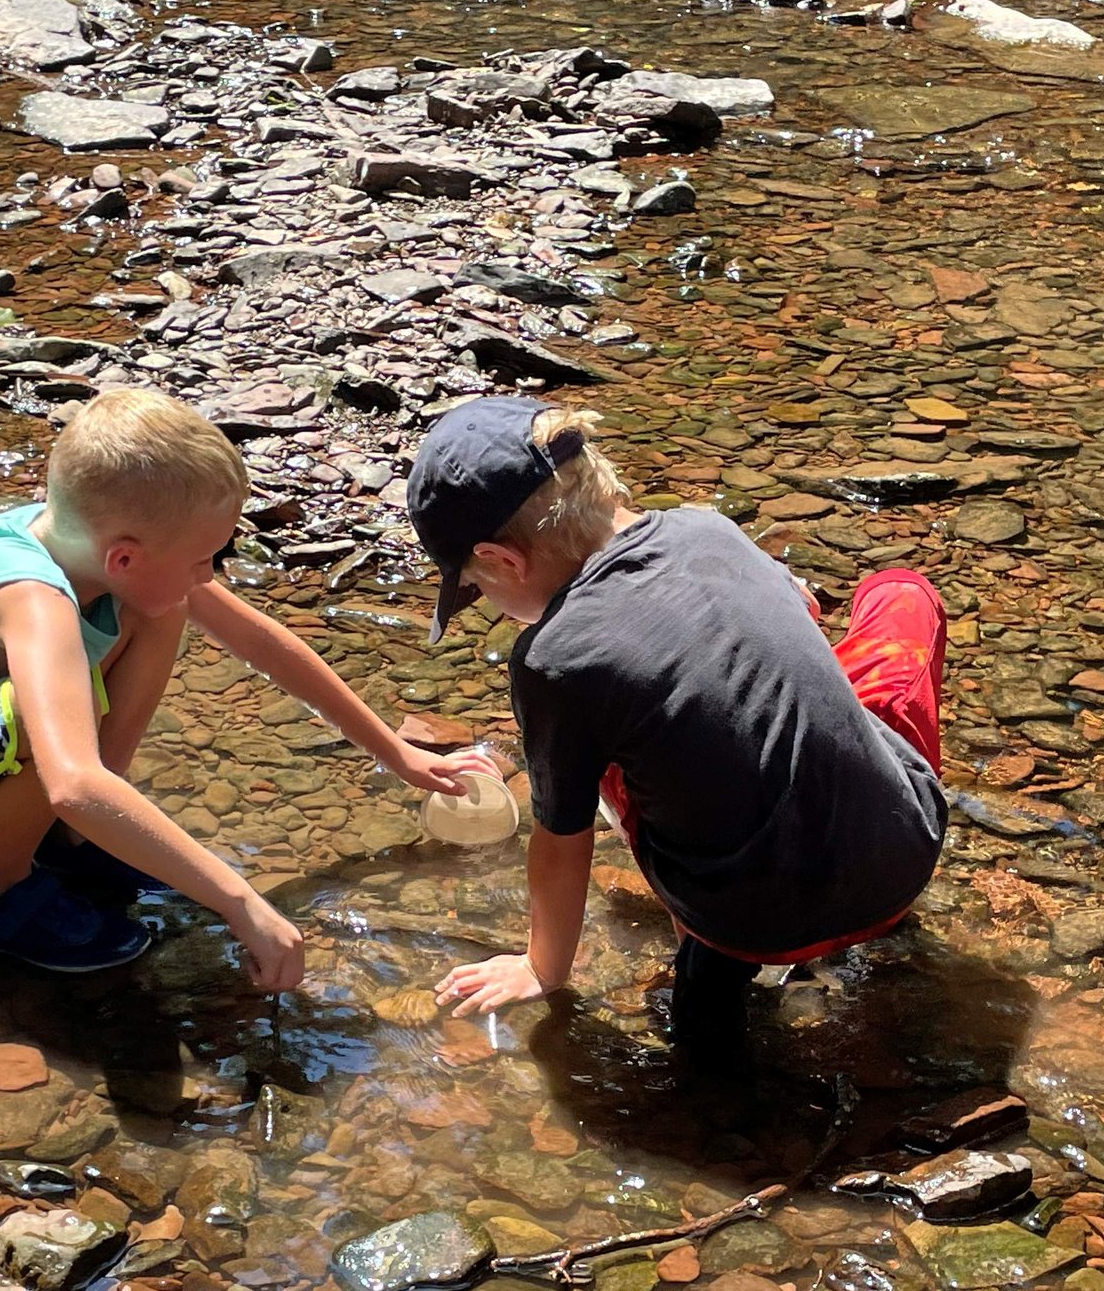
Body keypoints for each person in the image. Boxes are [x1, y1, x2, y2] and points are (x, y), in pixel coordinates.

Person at [0, 387, 475, 977]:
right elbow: (74, 781)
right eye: (203, 558)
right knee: (43, 714)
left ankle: (73, 843)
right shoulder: (34, 599)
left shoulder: (83, 542)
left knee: (160, 606)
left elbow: (259, 641)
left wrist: (396, 752)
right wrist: (238, 900)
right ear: (125, 555)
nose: (209, 573)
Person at [405, 397, 950, 1040]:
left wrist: (540, 967)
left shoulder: (551, 660)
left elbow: (561, 842)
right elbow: (794, 611)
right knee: (899, 595)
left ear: (504, 561)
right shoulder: (707, 527)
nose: (490, 605)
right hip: (903, 856)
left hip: (745, 929)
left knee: (598, 746)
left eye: (476, 589)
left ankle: (704, 954)